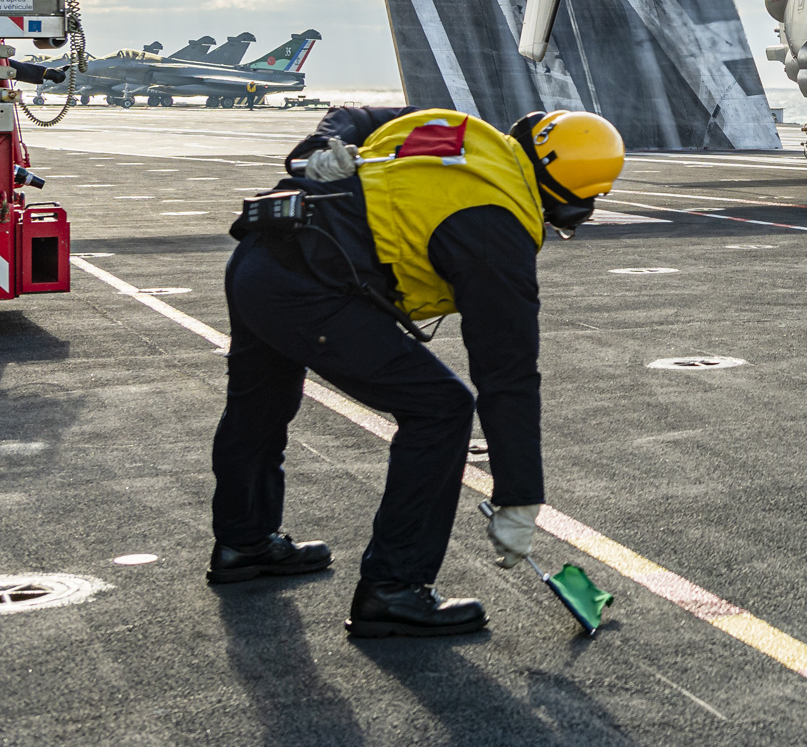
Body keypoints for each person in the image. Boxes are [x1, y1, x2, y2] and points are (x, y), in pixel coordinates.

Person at [207, 106, 623, 638]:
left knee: (260, 403)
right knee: (441, 408)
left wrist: (315, 151)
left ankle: (243, 543)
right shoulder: (499, 230)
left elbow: (351, 115)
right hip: (310, 288)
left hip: (260, 256)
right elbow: (508, 376)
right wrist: (518, 498)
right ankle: (394, 588)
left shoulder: (464, 133)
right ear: (569, 200)